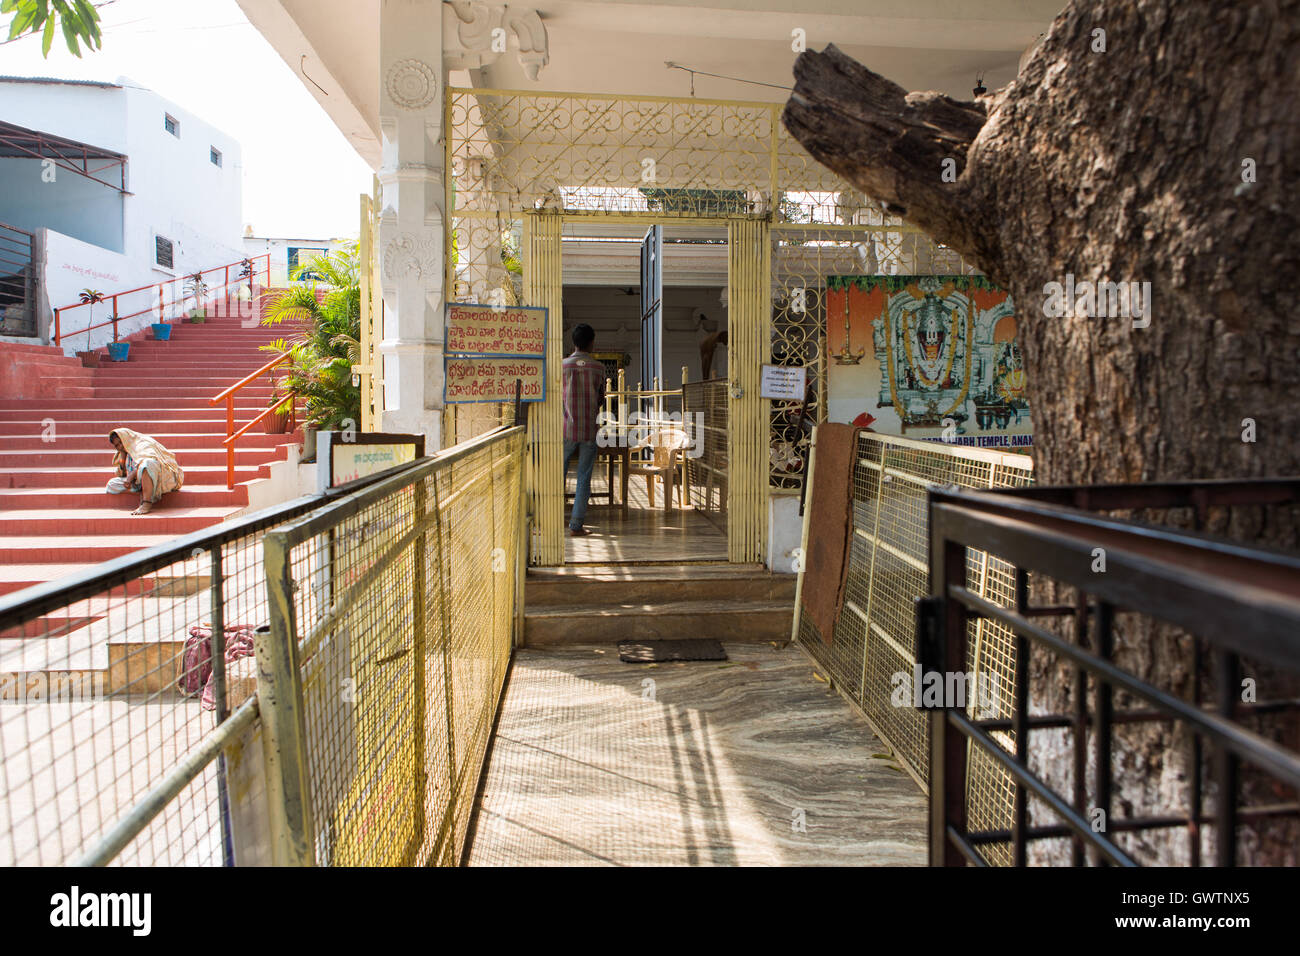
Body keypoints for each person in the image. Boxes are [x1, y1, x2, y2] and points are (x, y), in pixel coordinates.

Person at [562, 323, 605, 537]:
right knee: (583, 477)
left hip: (566, 429)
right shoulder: (598, 368)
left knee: (557, 475)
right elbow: (600, 399)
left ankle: (550, 520)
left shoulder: (562, 366)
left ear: (574, 342)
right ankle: (576, 525)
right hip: (588, 430)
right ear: (591, 342)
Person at [106, 428, 184, 515]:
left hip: (161, 477)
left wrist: (132, 475)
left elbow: (151, 461)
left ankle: (146, 502)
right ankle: (144, 489)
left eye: (121, 442)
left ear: (126, 438)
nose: (120, 446)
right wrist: (123, 456)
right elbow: (122, 474)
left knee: (147, 463)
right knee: (111, 484)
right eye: (117, 445)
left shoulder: (143, 443)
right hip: (138, 481)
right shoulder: (124, 452)